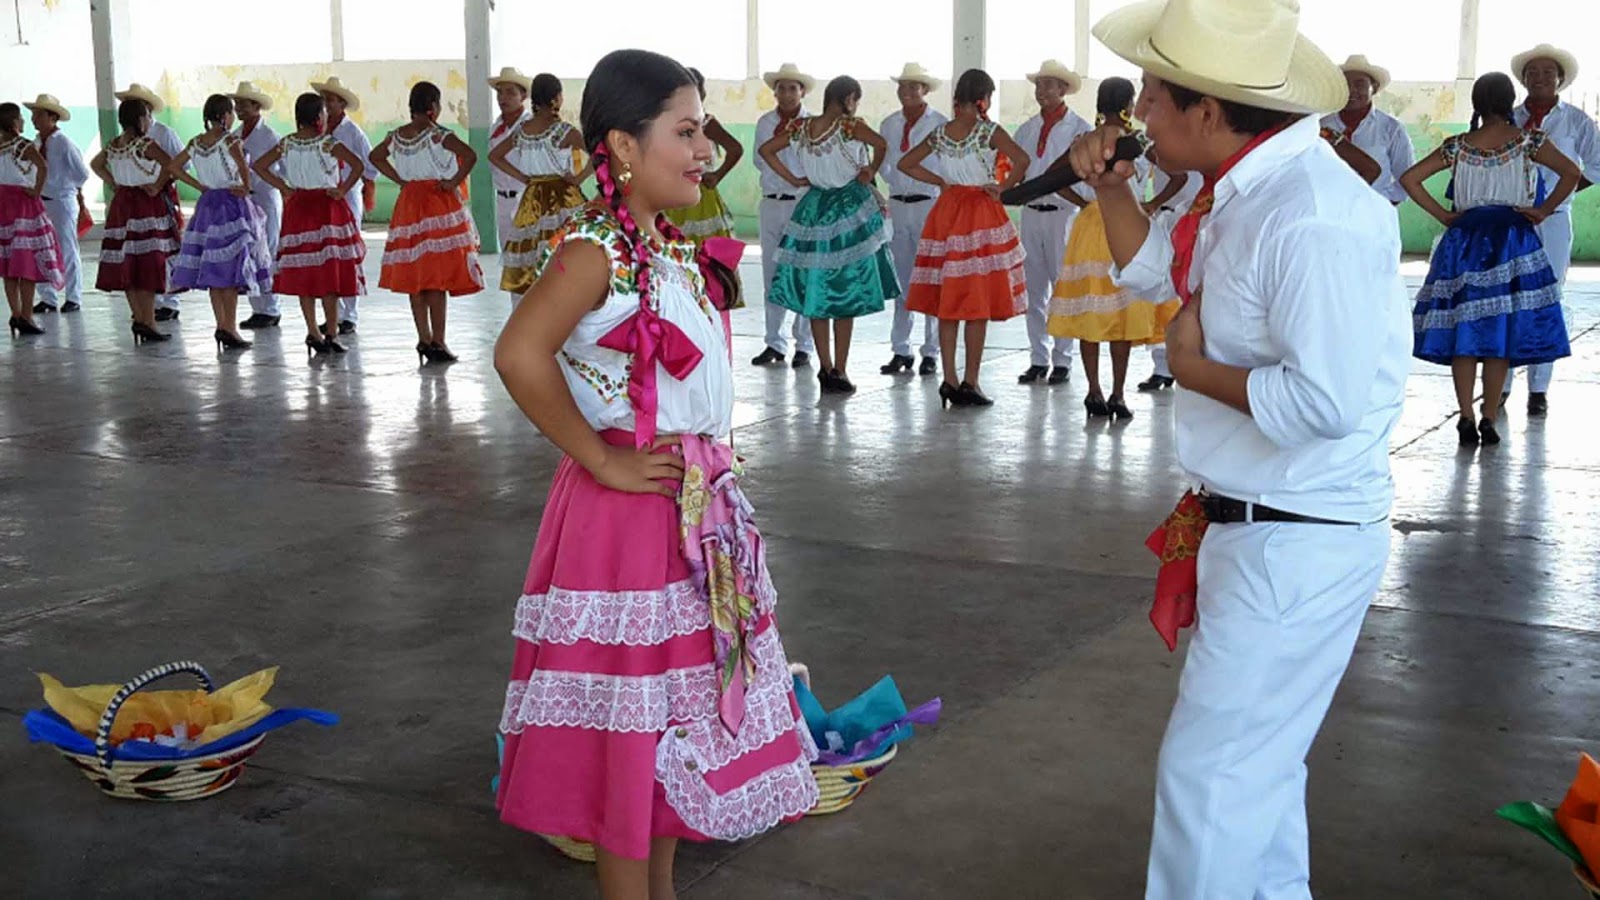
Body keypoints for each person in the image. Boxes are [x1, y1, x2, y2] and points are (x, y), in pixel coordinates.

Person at [1069, 0, 1413, 896]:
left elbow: (1322, 401)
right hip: (1258, 524)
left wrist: (1191, 369)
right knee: (1253, 775)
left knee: (1212, 781)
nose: (1140, 113)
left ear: (1210, 111)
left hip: (1295, 537)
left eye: (1154, 95)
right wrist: (1112, 190)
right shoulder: (1242, 190)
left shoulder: (1311, 216)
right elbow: (1154, 269)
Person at [491, 48, 818, 900]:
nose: (705, 149)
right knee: (631, 742)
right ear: (624, 146)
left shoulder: (668, 247)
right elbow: (519, 353)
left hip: (692, 513)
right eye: (686, 130)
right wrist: (602, 456)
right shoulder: (594, 248)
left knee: (677, 730)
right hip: (631, 523)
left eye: (703, 129)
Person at [1400, 72, 1577, 446]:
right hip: (1512, 239)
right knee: (1500, 333)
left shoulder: (1457, 146)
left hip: (1465, 239)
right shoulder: (1529, 141)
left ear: (1477, 104)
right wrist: (1543, 210)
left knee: (1464, 332)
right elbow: (1572, 173)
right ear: (1509, 100)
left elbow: (1410, 178)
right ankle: (1489, 417)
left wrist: (1444, 216)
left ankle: (1465, 414)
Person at [1047, 77, 1181, 421]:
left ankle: (1093, 390)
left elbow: (1053, 176)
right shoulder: (1137, 141)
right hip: (1129, 226)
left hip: (1091, 225)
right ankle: (1118, 394)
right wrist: (1151, 204)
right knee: (1123, 314)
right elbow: (1178, 176)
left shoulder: (1085, 142)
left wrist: (1084, 203)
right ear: (1129, 103)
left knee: (1090, 311)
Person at [898, 68, 1029, 408]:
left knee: (948, 300)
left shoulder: (941, 133)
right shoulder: (988, 131)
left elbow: (906, 164)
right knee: (976, 301)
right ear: (984, 98)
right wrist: (1002, 187)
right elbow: (1023, 160)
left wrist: (940, 181)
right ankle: (971, 380)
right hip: (979, 210)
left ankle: (949, 379)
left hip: (948, 211)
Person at [759, 75, 896, 395]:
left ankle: (824, 365)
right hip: (847, 209)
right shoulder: (849, 126)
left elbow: (767, 150)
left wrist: (794, 178)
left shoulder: (801, 127)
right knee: (845, 291)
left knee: (817, 290)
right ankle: (840, 369)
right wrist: (870, 171)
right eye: (855, 100)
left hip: (814, 207)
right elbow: (882, 144)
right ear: (849, 99)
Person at [1502, 43, 1600, 417]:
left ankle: (1539, 388)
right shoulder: (1508, 119)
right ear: (1523, 79)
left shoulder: (1576, 121)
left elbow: (1596, 166)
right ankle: (1501, 384)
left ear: (1560, 79)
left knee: (1548, 297)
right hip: (1512, 218)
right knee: (1507, 297)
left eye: (1548, 72)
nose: (1540, 78)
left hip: (1554, 219)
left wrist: (1558, 197)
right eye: (1533, 72)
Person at [370, 80, 483, 364]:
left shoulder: (398, 136)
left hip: (409, 204)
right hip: (436, 203)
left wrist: (400, 180)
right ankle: (439, 340)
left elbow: (375, 157)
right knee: (436, 277)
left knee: (416, 275)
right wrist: (453, 181)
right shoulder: (438, 135)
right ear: (433, 106)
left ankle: (423, 337)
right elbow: (470, 155)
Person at [249, 92, 367, 356]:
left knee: (306, 271)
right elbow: (358, 165)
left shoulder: (287, 143)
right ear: (318, 117)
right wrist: (342, 189)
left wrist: (284, 187)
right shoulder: (328, 143)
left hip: (300, 207)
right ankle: (332, 333)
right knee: (329, 273)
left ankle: (313, 331)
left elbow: (259, 166)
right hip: (326, 207)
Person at [165, 93, 275, 352]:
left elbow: (173, 167)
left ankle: (221, 325)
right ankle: (230, 327)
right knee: (231, 270)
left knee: (214, 269)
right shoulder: (230, 140)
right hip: (230, 204)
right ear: (225, 115)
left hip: (208, 205)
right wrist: (245, 188)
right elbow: (243, 167)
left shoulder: (196, 142)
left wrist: (198, 185)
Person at [1013, 59, 1092, 386]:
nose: (1041, 90)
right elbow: (1014, 170)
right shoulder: (1026, 130)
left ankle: (1063, 358)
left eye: (1048, 84)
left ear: (1063, 89)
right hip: (1032, 213)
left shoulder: (1079, 128)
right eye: (1038, 84)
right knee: (1034, 289)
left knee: (1063, 286)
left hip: (1063, 213)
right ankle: (1038, 357)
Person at [878, 62, 949, 377]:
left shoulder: (940, 124)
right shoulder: (889, 123)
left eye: (913, 86)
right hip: (899, 203)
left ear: (925, 90)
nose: (906, 92)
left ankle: (931, 351)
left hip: (927, 203)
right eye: (902, 86)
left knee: (931, 277)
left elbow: (945, 164)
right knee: (902, 280)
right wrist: (895, 182)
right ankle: (901, 348)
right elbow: (883, 162)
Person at [91, 98, 180, 345]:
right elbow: (172, 164)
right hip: (144, 204)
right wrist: (158, 185)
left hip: (122, 205)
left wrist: (114, 182)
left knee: (128, 263)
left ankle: (139, 318)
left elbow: (96, 164)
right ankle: (149, 321)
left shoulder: (114, 145)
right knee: (148, 263)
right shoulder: (144, 144)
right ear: (141, 119)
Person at [491, 73, 589, 297]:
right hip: (563, 196)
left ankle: (536, 303)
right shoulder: (564, 130)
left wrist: (524, 178)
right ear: (556, 98)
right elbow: (599, 153)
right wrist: (579, 178)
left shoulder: (523, 131)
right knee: (566, 252)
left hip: (532, 197)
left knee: (533, 253)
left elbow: (495, 156)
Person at [750, 62, 816, 368]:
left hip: (801, 203)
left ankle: (804, 344)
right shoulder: (766, 123)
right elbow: (760, 160)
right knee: (772, 273)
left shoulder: (812, 124)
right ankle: (774, 341)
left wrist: (795, 179)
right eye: (781, 88)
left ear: (802, 92)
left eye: (792, 88)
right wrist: (786, 177)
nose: (786, 94)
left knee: (803, 272)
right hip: (772, 202)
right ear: (774, 92)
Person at [114, 84, 186, 323]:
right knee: (141, 252)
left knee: (162, 248)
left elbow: (179, 164)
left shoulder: (164, 133)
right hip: (136, 200)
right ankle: (148, 308)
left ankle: (169, 302)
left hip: (159, 195)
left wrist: (159, 183)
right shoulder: (124, 140)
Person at [311, 76, 376, 335]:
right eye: (324, 100)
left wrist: (347, 186)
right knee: (328, 254)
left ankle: (350, 314)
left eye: (331, 100)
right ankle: (333, 314)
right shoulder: (319, 130)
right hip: (323, 199)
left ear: (342, 104)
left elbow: (369, 166)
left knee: (347, 255)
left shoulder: (353, 133)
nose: (327, 105)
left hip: (347, 198)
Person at [0, 102, 64, 337]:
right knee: (26, 262)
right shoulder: (22, 144)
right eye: (20, 118)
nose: (24, 121)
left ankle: (16, 313)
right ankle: (26, 315)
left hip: (3, 204)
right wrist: (37, 190)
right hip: (23, 204)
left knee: (9, 265)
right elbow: (42, 166)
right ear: (13, 122)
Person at [1318, 56, 1414, 204]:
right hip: (1331, 209)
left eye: (1360, 84)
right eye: (1345, 84)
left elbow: (1406, 179)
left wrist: (1382, 205)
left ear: (1373, 88)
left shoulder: (1392, 129)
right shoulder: (1322, 126)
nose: (1351, 90)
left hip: (1374, 211)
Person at [24, 94, 87, 314]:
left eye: (39, 114)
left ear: (52, 117)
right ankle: (48, 297)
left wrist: (65, 186)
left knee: (66, 248)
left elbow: (81, 173)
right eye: (33, 114)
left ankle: (73, 296)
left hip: (61, 200)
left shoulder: (64, 143)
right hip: (41, 201)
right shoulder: (36, 143)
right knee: (42, 248)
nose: (34, 119)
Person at [665, 67, 743, 243]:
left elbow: (735, 149)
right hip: (672, 192)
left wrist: (717, 175)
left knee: (703, 246)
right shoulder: (667, 122)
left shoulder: (707, 123)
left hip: (700, 195)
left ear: (701, 93)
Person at [231, 82, 286, 330]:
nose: (238, 108)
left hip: (265, 197)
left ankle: (271, 307)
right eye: (237, 104)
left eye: (243, 104)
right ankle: (258, 307)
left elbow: (282, 170)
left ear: (256, 106)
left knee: (268, 250)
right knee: (250, 251)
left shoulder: (270, 136)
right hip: (244, 200)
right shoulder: (235, 135)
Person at [487, 66, 534, 275]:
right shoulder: (496, 126)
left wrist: (524, 179)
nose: (502, 98)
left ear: (523, 96)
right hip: (502, 199)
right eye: (499, 92)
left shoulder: (530, 125)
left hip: (525, 196)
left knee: (529, 260)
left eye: (510, 92)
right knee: (511, 263)